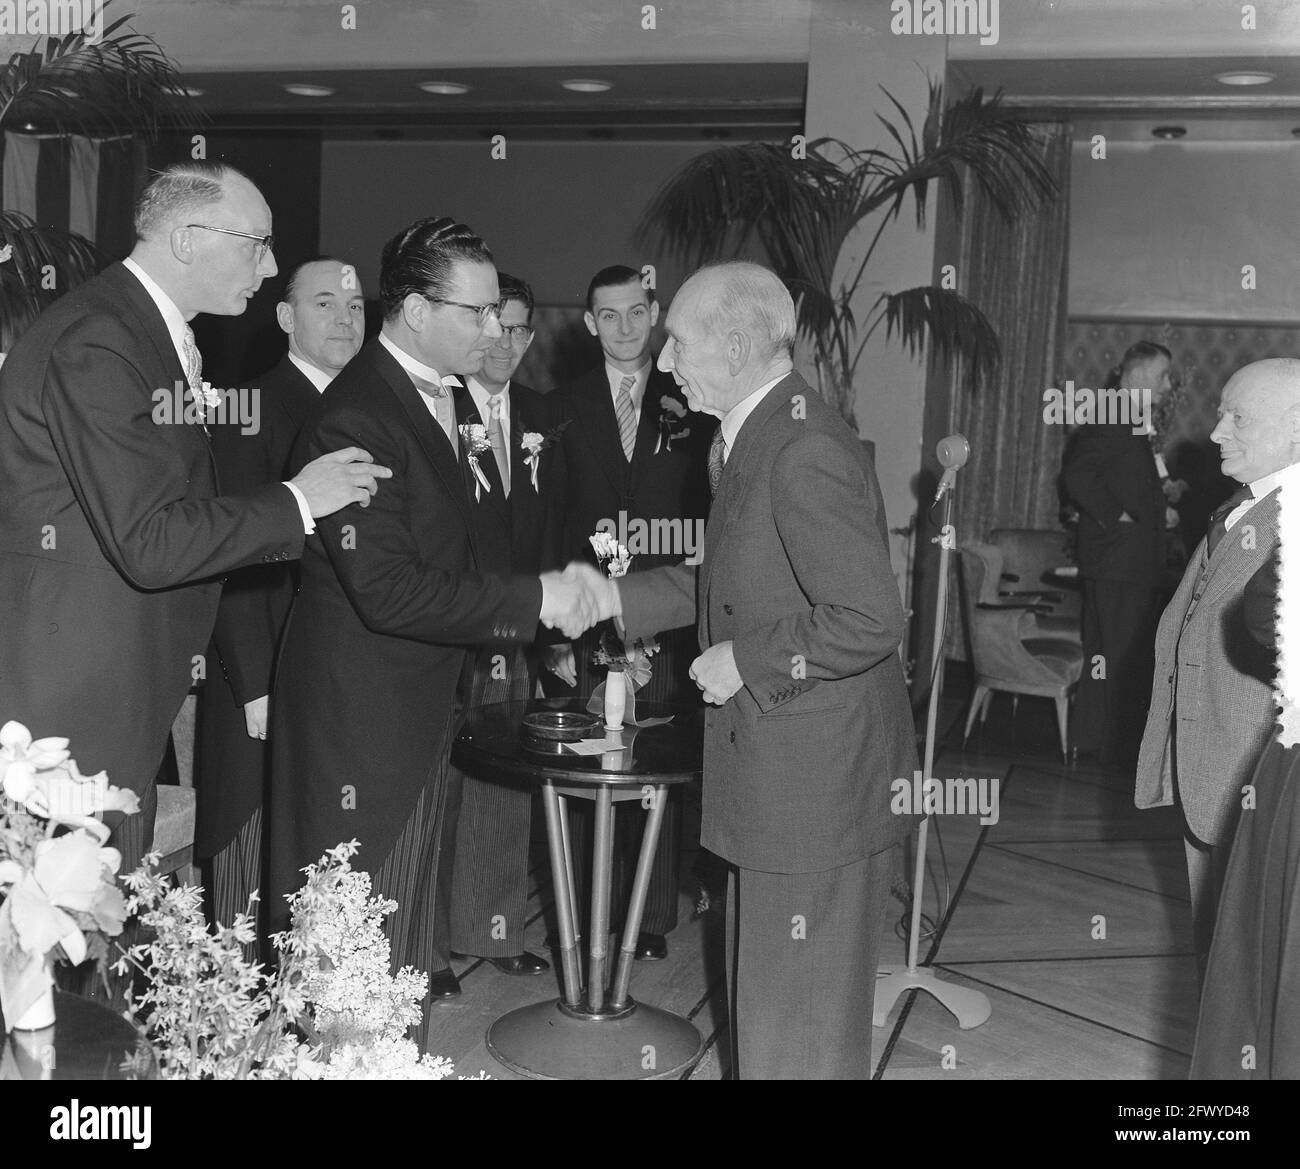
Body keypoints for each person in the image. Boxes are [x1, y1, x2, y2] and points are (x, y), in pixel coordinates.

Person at [577, 261, 917, 1079]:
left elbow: (871, 617)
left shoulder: (801, 449)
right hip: (781, 774)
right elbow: (729, 577)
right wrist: (607, 597)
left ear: (734, 344)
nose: (663, 363)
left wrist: (744, 659)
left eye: (677, 343)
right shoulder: (749, 433)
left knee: (796, 1021)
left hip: (816, 786)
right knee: (768, 1003)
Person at [0, 162, 387, 874]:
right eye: (257, 244)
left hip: (113, 679)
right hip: (74, 698)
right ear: (187, 239)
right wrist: (301, 498)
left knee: (103, 932)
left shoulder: (139, 327)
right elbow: (150, 539)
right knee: (67, 941)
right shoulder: (100, 338)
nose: (270, 266)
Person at [265, 218, 600, 1038]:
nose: (494, 332)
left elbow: (463, 547)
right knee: (349, 952)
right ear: (415, 308)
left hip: (417, 710)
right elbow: (387, 591)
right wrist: (538, 600)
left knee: (398, 937)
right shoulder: (358, 415)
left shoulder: (440, 395)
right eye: (477, 313)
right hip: (361, 722)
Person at [543, 264, 716, 961]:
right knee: (590, 762)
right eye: (606, 316)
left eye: (635, 313)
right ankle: (580, 911)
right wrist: (550, 626)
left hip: (669, 608)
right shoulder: (560, 405)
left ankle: (645, 918)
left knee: (656, 758)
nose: (622, 327)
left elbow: (709, 510)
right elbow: (553, 513)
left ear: (654, 315)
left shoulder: (693, 400)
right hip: (584, 608)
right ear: (589, 324)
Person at [195, 256, 366, 934]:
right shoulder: (253, 407)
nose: (345, 318)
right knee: (251, 858)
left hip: (341, 674)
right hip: (263, 679)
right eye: (325, 303)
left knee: (320, 858)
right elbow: (231, 558)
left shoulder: (367, 408)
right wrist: (257, 684)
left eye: (355, 307)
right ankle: (238, 1028)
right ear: (287, 318)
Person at [1136, 357, 1297, 975]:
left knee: (1252, 967)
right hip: (1214, 766)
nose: (1216, 432)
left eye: (1239, 417)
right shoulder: (1243, 503)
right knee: (1220, 958)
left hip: (1259, 775)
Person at [444, 272, 562, 979]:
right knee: (444, 786)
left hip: (518, 629)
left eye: (521, 328)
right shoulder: (437, 406)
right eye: (496, 324)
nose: (507, 342)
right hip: (449, 623)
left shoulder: (545, 416)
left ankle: (492, 931)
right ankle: (428, 947)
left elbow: (553, 530)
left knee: (506, 784)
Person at [1061, 341, 1175, 769]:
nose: (1167, 386)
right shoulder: (1115, 413)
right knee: (1119, 655)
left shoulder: (1127, 415)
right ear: (1141, 375)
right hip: (1119, 561)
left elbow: (1118, 477)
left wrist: (1153, 509)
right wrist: (1119, 516)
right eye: (1163, 376)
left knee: (1105, 654)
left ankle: (1093, 742)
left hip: (1124, 560)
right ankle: (1115, 748)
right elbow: (1077, 474)